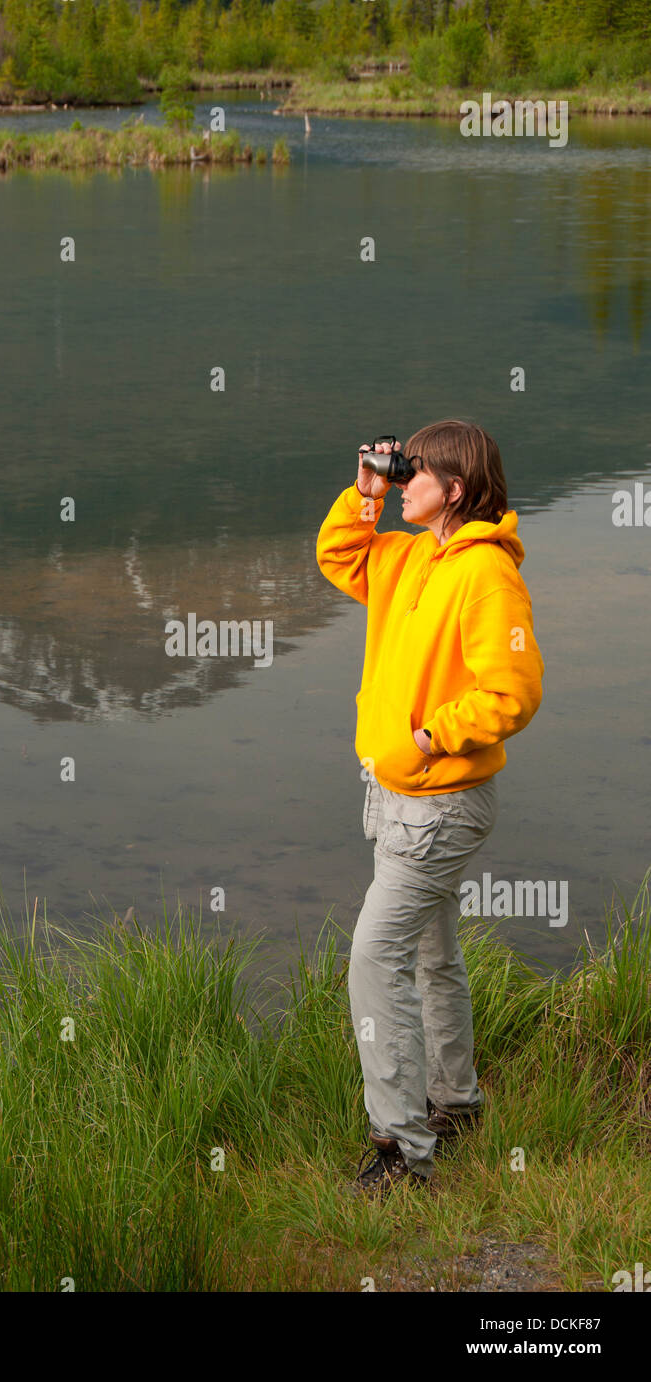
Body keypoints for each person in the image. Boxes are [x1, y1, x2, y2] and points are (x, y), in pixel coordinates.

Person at [315, 419, 544, 1199]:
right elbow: (339, 557)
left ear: (453, 489)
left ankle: (400, 1151)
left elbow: (512, 692)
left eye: (412, 473)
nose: (400, 480)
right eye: (398, 469)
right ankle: (456, 1101)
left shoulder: (485, 572)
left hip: (439, 804)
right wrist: (365, 494)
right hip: (397, 797)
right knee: (428, 954)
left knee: (374, 957)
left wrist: (428, 736)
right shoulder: (408, 556)